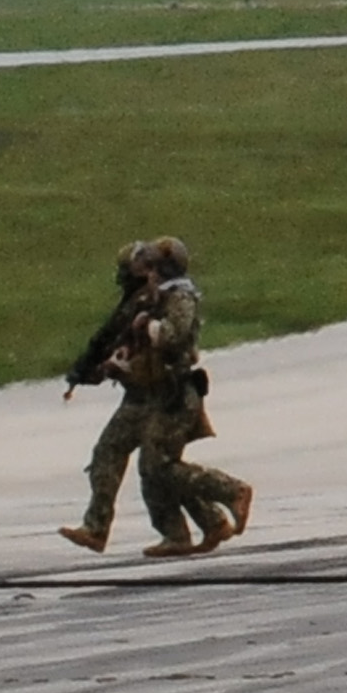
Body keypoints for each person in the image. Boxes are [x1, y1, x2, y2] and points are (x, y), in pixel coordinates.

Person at [120, 238, 250, 556]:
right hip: (164, 392)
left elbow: (172, 337)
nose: (145, 274)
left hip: (175, 394)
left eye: (151, 268)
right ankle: (203, 524)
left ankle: (230, 491)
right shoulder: (162, 297)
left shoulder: (180, 298)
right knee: (159, 465)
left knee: (157, 467)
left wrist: (149, 325)